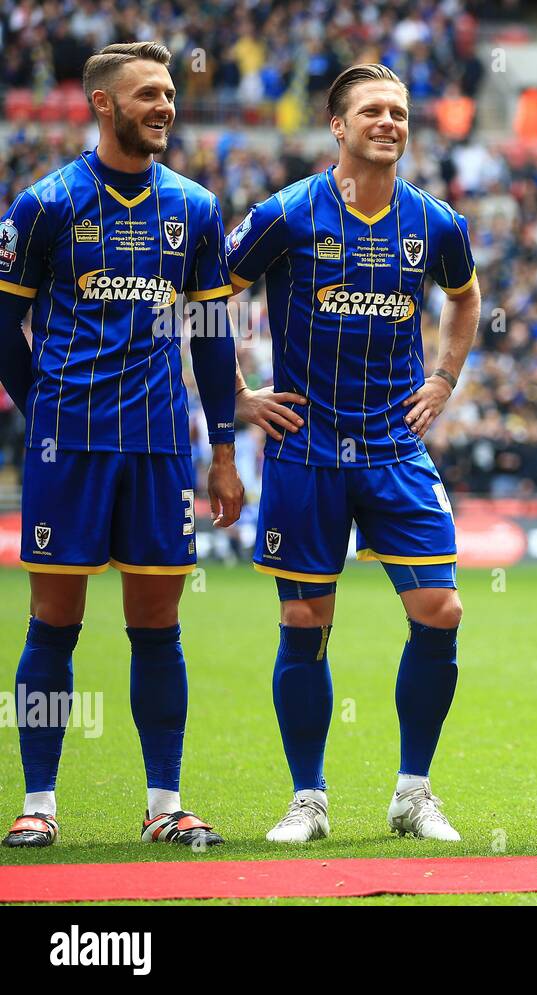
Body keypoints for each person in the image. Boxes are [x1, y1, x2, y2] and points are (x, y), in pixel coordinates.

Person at [226, 64, 481, 843]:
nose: (390, 121)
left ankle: (413, 792)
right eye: (373, 110)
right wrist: (239, 394)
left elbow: (465, 299)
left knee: (442, 609)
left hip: (394, 445)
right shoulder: (285, 213)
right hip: (306, 447)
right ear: (337, 125)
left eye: (400, 111)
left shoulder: (435, 222)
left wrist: (442, 378)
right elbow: (210, 292)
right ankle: (309, 797)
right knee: (305, 620)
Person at [0, 42, 243, 848]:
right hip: (68, 446)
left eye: (170, 93)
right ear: (103, 104)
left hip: (157, 444)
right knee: (54, 620)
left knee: (157, 622)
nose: (165, 106)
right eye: (148, 94)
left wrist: (223, 448)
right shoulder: (44, 204)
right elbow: (4, 325)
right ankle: (38, 805)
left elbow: (211, 338)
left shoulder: (197, 209)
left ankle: (164, 804)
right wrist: (44, 408)